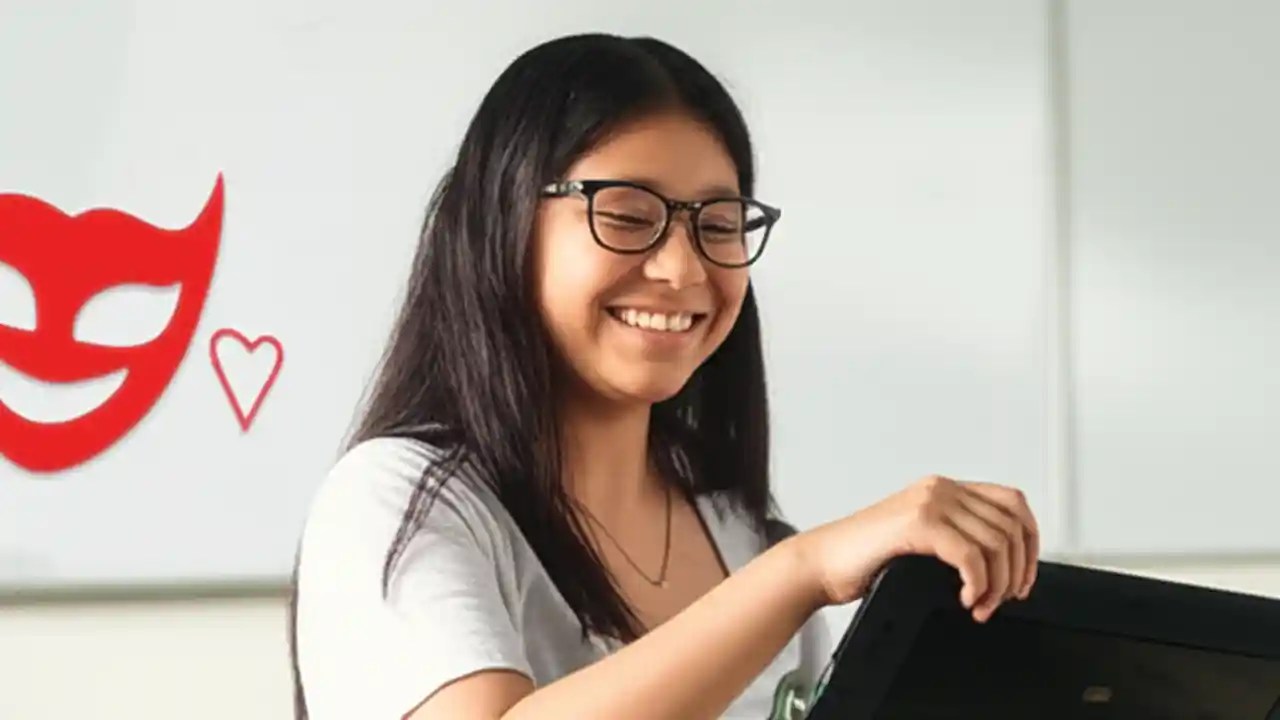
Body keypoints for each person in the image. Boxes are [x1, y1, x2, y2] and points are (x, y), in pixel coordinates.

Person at [287, 32, 1040, 720]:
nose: (682, 269)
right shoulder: (399, 503)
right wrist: (799, 572)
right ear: (502, 221)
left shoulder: (738, 532)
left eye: (716, 225)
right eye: (624, 214)